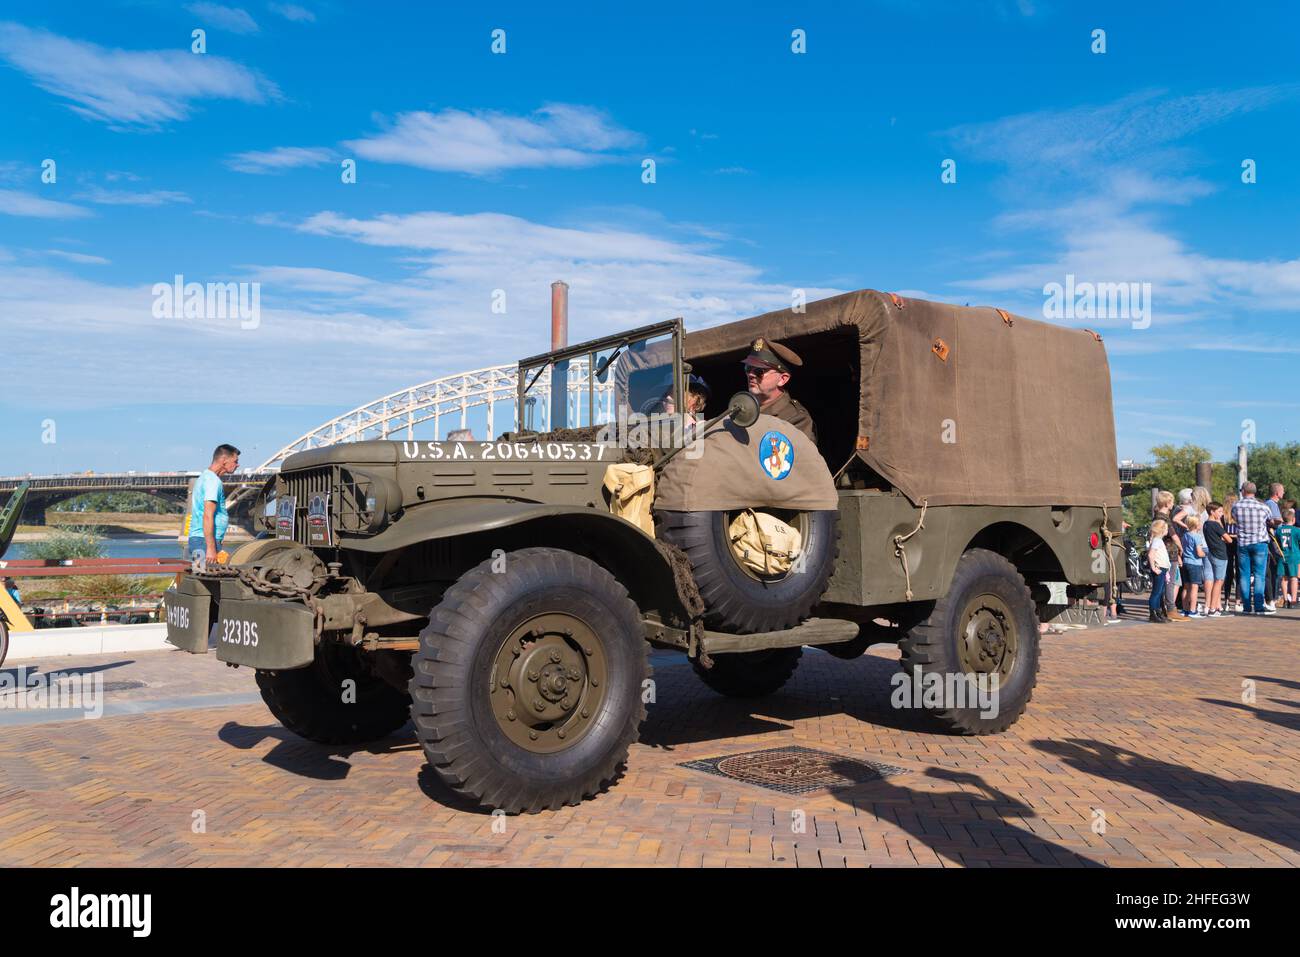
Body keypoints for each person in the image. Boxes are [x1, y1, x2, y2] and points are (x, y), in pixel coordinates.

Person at [742, 337, 817, 443]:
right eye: (748, 368)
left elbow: (801, 458)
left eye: (759, 371)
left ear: (782, 379)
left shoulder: (796, 419)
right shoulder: (741, 407)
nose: (750, 375)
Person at [187, 443, 241, 566]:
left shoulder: (204, 477)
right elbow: (208, 515)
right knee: (208, 580)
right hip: (205, 542)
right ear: (224, 460)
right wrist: (211, 548)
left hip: (200, 540)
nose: (237, 465)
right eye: (235, 461)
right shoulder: (213, 482)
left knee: (201, 576)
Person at [1232, 481, 1274, 615]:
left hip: (1243, 543)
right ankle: (1259, 605)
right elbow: (1270, 520)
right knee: (1259, 575)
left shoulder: (1236, 506)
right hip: (1260, 542)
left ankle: (1246, 606)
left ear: (1243, 491)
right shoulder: (1263, 507)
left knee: (1244, 575)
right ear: (1255, 492)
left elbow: (1235, 519)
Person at [1203, 502, 1229, 617]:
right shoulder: (1215, 525)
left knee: (1216, 580)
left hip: (1212, 553)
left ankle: (1213, 606)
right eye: (1219, 511)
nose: (1221, 514)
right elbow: (1229, 539)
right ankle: (1212, 608)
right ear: (1212, 512)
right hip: (1220, 554)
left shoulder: (1205, 524)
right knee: (1219, 582)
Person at [1263, 482, 1285, 612]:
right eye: (1282, 491)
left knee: (1272, 571)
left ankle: (1272, 597)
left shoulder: (1269, 504)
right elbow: (1275, 522)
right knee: (1273, 571)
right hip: (1273, 542)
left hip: (1271, 541)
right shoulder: (1272, 505)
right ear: (1277, 493)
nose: (1283, 493)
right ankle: (1272, 598)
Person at [1179, 514, 1207, 619]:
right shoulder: (1197, 537)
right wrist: (1206, 554)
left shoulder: (1185, 535)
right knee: (1194, 587)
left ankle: (1185, 609)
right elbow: (1199, 553)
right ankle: (1193, 610)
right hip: (1195, 563)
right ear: (1196, 525)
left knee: (1186, 587)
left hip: (1185, 562)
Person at [1147, 519, 1170, 623]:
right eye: (1166, 528)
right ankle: (1153, 614)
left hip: (1163, 569)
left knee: (1160, 592)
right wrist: (1154, 568)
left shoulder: (1158, 540)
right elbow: (1151, 554)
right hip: (1159, 569)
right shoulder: (1157, 540)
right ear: (1161, 530)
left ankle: (1159, 612)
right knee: (1156, 592)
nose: (1167, 530)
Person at [1278, 508, 1300, 608]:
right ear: (1293, 519)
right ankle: (1294, 601)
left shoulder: (1278, 530)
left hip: (1282, 556)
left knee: (1284, 578)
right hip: (1294, 556)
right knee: (1294, 578)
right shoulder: (1296, 531)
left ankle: (1286, 599)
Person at [1222, 493, 1239, 611]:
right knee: (1239, 571)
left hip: (1226, 543)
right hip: (1238, 542)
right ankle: (1238, 601)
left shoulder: (1222, 515)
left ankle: (1226, 600)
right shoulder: (1239, 513)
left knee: (1228, 573)